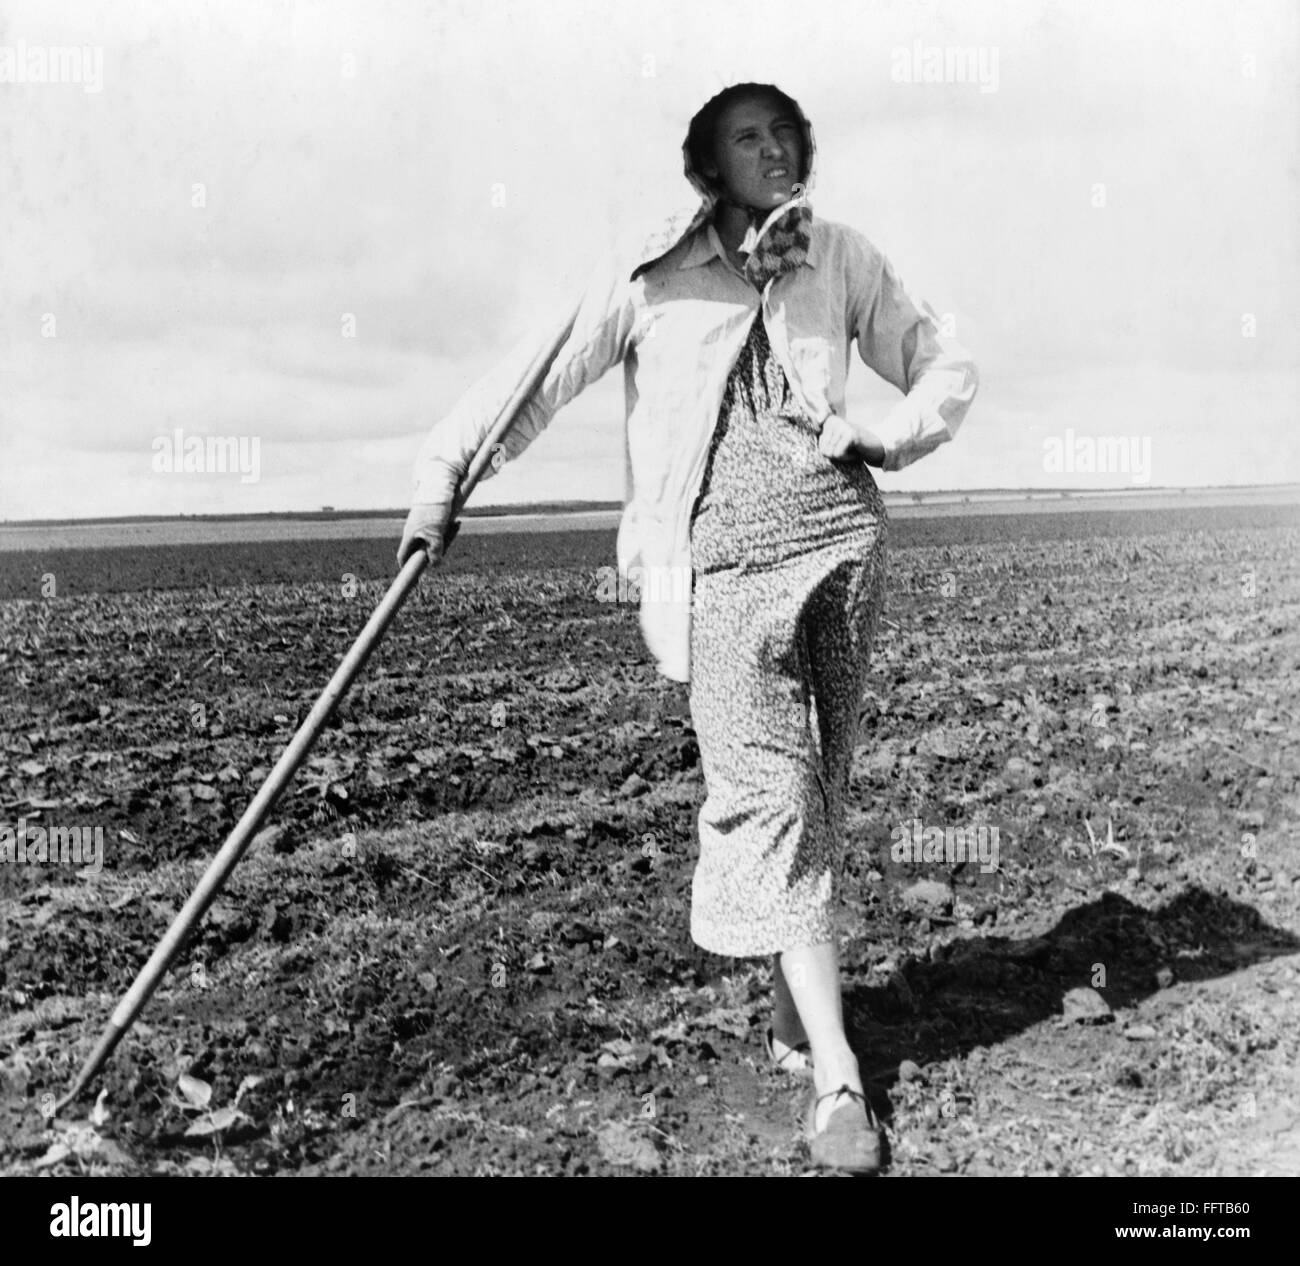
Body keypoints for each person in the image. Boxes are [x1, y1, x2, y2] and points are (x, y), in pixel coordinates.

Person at [399, 82, 978, 1173]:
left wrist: (885, 433)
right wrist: (442, 480)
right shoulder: (652, 276)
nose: (776, 152)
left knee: (824, 784)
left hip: (840, 547)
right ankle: (838, 1084)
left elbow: (945, 360)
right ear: (707, 169)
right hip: (717, 573)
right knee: (776, 795)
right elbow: (536, 369)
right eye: (748, 139)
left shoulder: (842, 257)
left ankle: (787, 1000)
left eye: (786, 136)